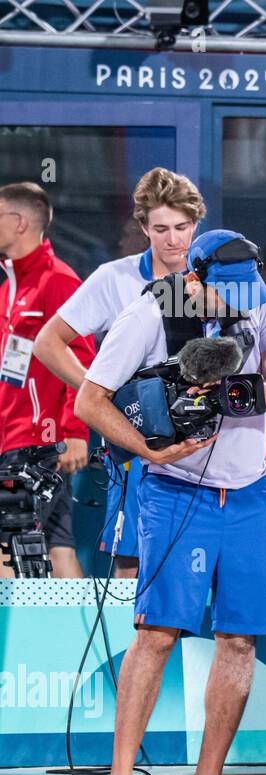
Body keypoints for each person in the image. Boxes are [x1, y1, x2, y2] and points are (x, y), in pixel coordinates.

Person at [74, 229, 266, 775]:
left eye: (248, 288)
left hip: (251, 494)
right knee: (157, 633)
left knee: (240, 639)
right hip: (175, 492)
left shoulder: (259, 303)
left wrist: (228, 392)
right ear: (194, 279)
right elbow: (90, 401)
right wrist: (149, 449)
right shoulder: (149, 312)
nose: (242, 300)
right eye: (228, 290)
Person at [34, 167, 205, 579]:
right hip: (137, 442)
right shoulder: (115, 278)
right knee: (131, 565)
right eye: (160, 228)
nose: (173, 239)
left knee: (199, 565)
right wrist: (102, 396)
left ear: (196, 223)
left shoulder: (217, 279)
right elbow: (47, 342)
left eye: (182, 227)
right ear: (143, 227)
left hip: (206, 444)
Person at [0, 182, 94, 579]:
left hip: (40, 442)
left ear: (19, 222)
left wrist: (75, 430)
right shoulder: (8, 287)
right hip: (14, 441)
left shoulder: (59, 281)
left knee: (6, 547)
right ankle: (82, 626)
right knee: (59, 549)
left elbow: (83, 359)